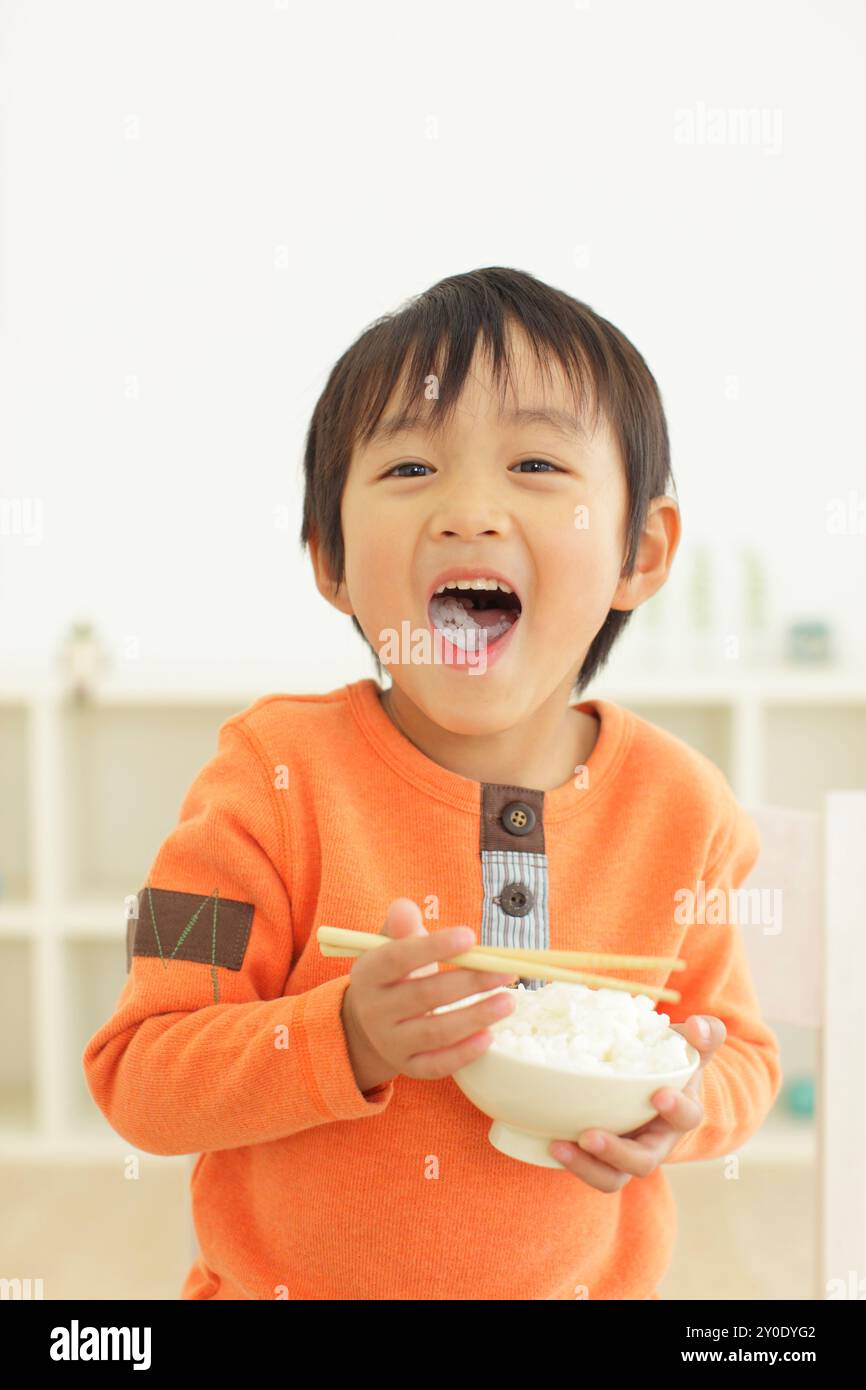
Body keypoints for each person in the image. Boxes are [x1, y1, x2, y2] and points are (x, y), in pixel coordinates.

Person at [83, 266, 781, 1300]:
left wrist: (680, 1095)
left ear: (639, 549)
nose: (467, 510)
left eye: (535, 462)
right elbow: (138, 1068)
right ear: (329, 557)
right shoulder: (256, 781)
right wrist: (343, 1036)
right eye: (410, 467)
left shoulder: (687, 814)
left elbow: (738, 1053)